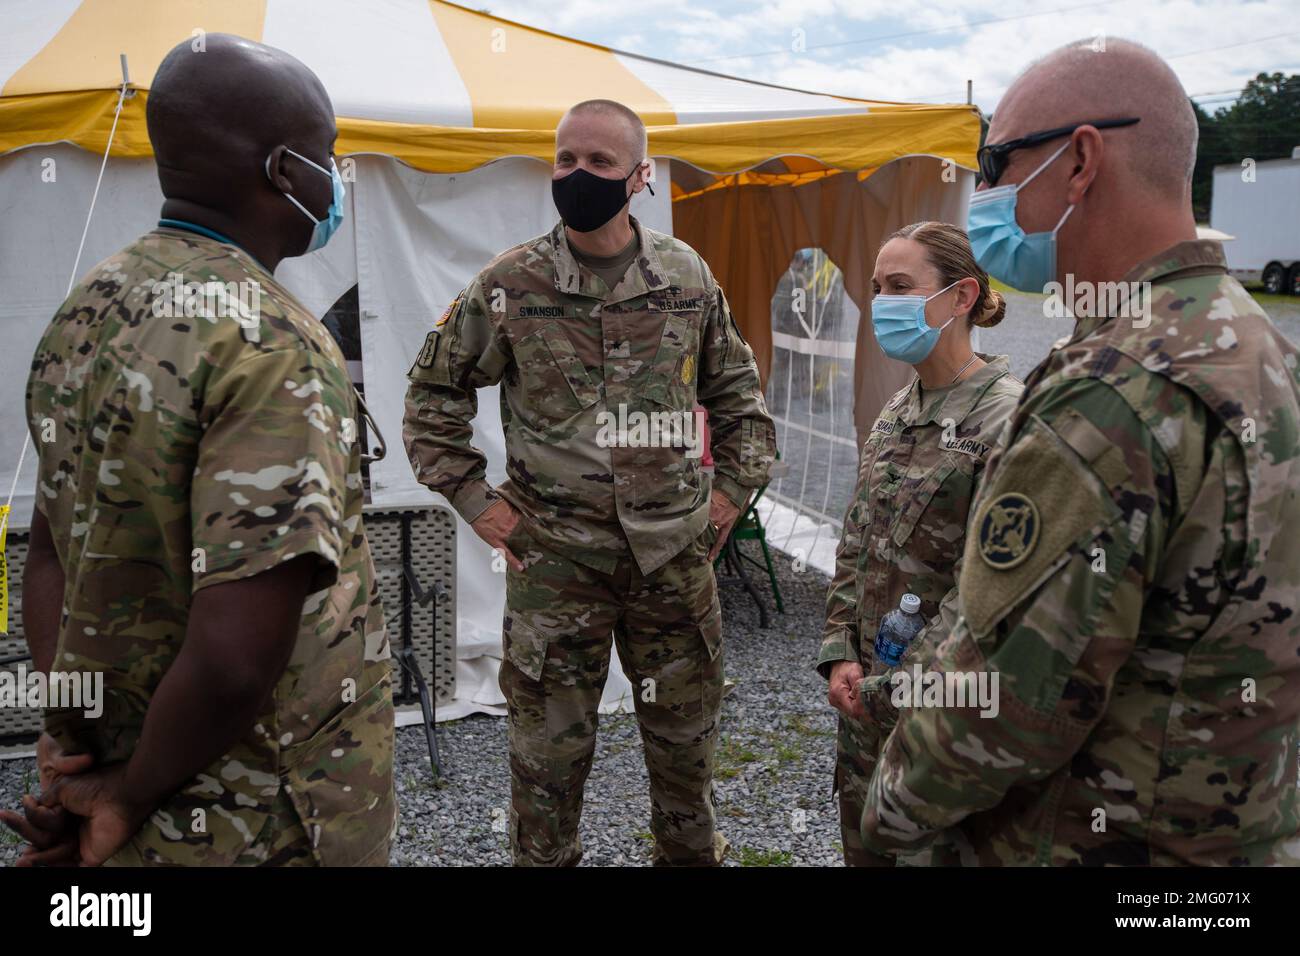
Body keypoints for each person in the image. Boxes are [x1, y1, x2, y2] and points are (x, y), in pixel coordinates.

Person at [861, 38, 1300, 865]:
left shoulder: (1111, 390)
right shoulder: (1262, 346)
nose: (984, 193)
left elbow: (1006, 702)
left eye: (996, 161)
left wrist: (890, 810)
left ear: (1081, 159)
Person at [1, 34, 396, 866]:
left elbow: (48, 551)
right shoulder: (270, 342)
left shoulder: (87, 309)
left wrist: (83, 747)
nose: (335, 180)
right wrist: (127, 792)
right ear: (286, 172)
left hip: (131, 786)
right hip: (256, 810)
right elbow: (234, 654)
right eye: (327, 158)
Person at [403, 99, 776, 866]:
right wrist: (480, 507)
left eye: (600, 163)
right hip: (555, 568)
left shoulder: (685, 277)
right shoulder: (511, 284)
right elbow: (432, 395)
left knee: (686, 759)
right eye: (567, 160)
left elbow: (741, 401)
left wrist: (724, 504)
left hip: (673, 562)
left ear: (639, 177)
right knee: (546, 768)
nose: (579, 175)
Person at [817, 222, 1022, 866]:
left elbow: (993, 591)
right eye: (878, 288)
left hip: (942, 715)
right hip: (865, 704)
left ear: (961, 298)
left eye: (900, 286)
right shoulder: (899, 410)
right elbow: (857, 542)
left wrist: (901, 687)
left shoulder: (1007, 418)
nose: (882, 302)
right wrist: (840, 650)